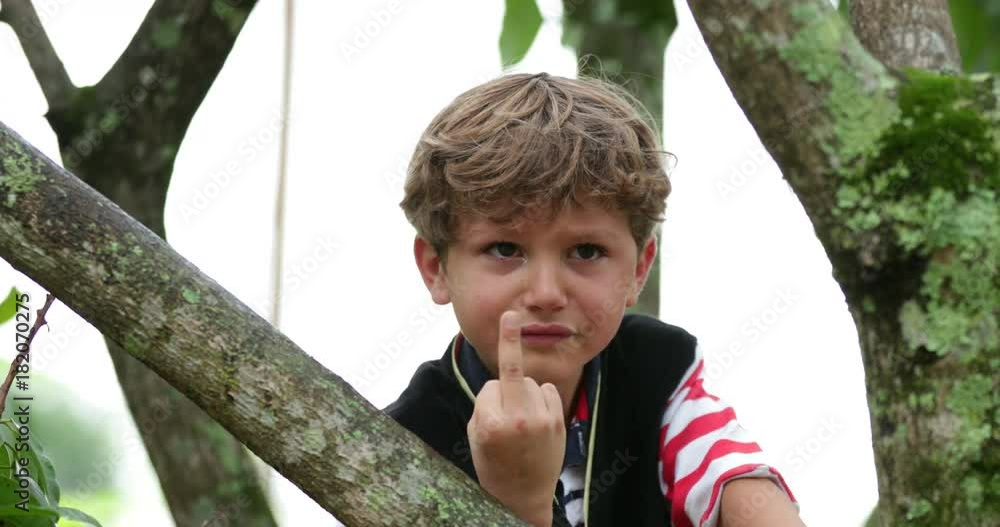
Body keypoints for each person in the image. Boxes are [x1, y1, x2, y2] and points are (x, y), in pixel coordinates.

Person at [384, 72, 802, 526]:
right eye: (505, 250)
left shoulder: (656, 369)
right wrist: (521, 505)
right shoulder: (406, 441)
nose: (546, 294)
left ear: (639, 268)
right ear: (436, 268)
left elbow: (741, 488)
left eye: (586, 252)